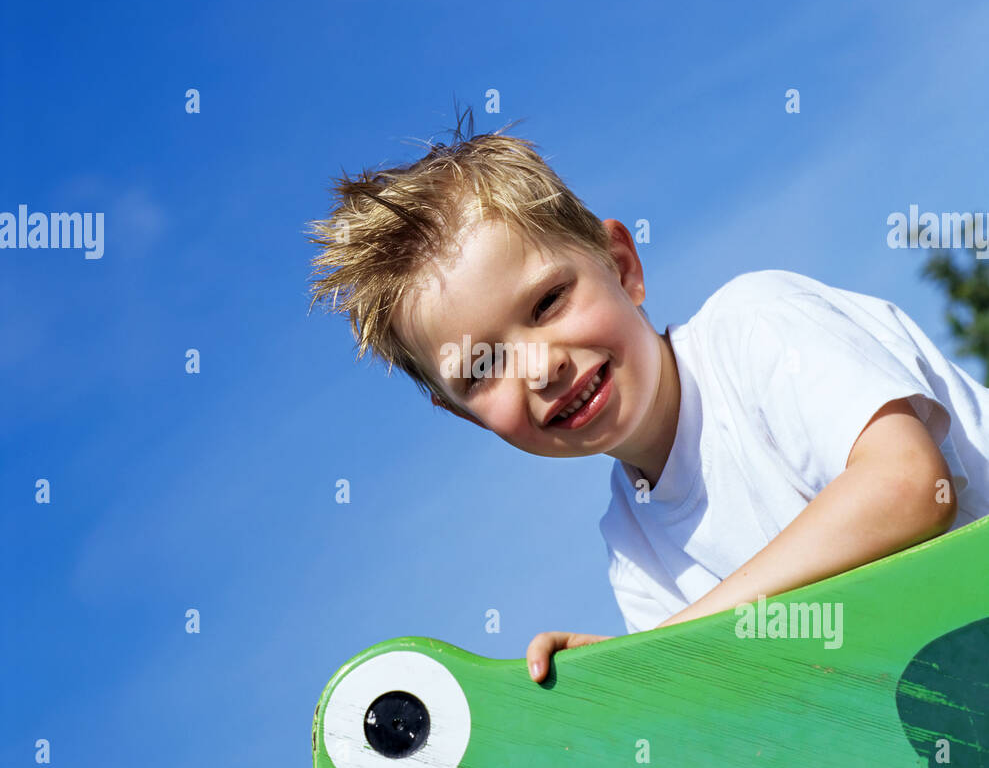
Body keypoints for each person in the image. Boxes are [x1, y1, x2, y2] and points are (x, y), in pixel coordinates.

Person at [307, 122, 989, 682]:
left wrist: (664, 649)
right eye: (483, 367)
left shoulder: (752, 326)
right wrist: (628, 687)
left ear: (622, 267)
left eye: (548, 303)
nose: (541, 366)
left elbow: (906, 488)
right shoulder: (631, 545)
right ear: (462, 414)